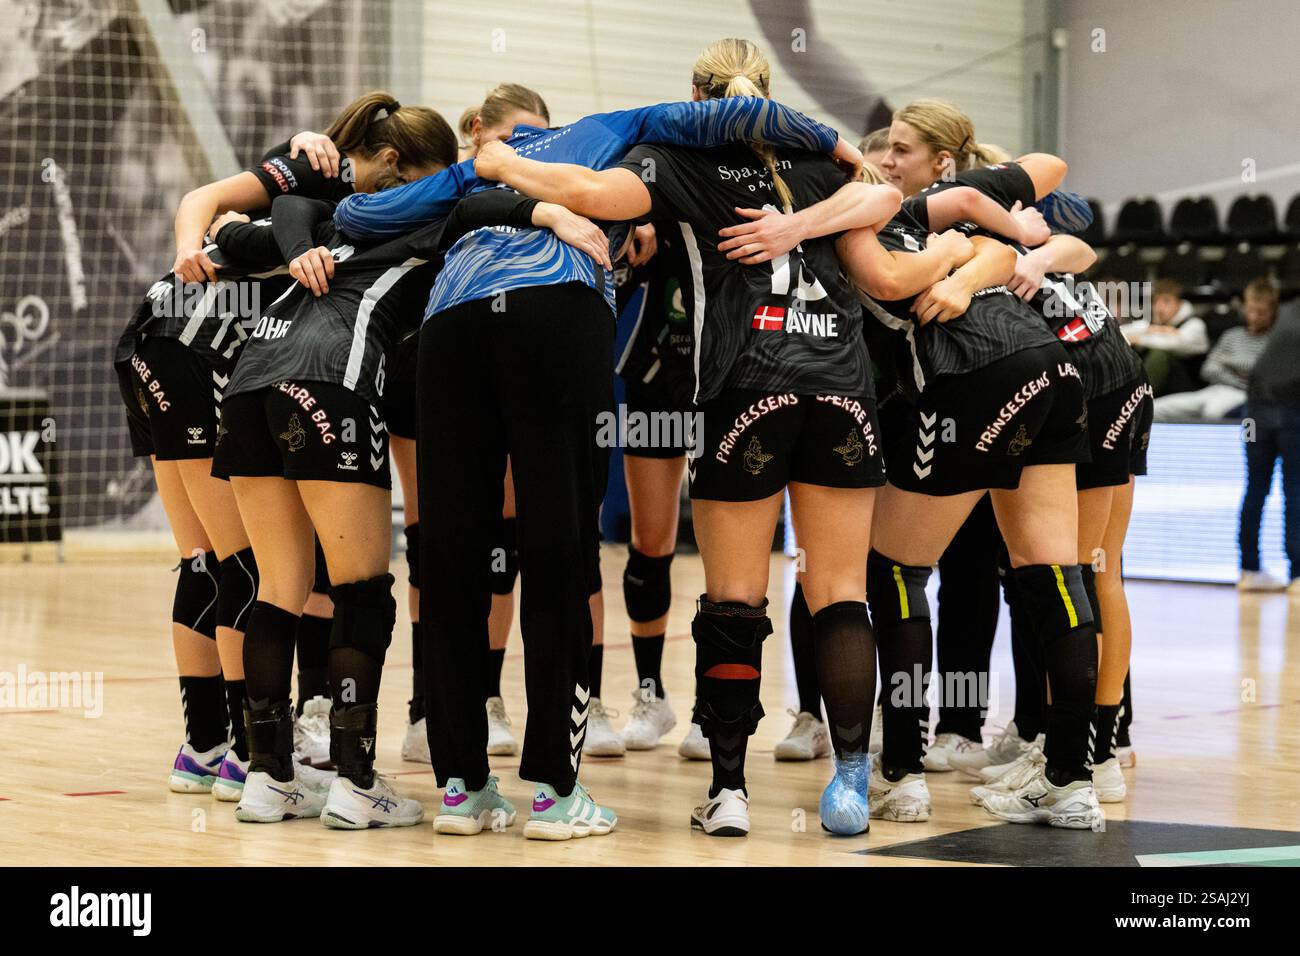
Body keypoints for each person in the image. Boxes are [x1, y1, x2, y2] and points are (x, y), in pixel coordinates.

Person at [476, 37, 979, 837]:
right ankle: (856, 782)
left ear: (696, 95)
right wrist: (803, 225)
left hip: (746, 388)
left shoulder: (674, 157)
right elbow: (883, 202)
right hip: (843, 392)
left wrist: (506, 168)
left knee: (733, 600)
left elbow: (588, 191)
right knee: (842, 593)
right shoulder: (819, 163)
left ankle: (731, 790)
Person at [335, 74, 859, 840]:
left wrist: (489, 176)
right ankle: (553, 792)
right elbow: (745, 112)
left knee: (448, 559)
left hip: (453, 328)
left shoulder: (477, 164)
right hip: (556, 310)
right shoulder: (611, 126)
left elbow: (356, 212)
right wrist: (843, 148)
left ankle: (461, 788)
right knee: (562, 552)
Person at [113, 91, 453, 798]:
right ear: (395, 161)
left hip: (165, 338)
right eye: (435, 175)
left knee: (214, 561)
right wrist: (197, 247)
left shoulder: (345, 190)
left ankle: (213, 749)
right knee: (256, 567)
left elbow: (238, 227)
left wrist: (234, 237)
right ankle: (254, 754)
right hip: (208, 344)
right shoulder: (323, 173)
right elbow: (211, 203)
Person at [403, 82, 551, 766]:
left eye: (537, 136)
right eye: (517, 133)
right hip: (415, 368)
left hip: (496, 373)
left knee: (504, 547)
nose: (527, 145)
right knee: (428, 543)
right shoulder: (441, 180)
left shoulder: (526, 185)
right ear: (476, 128)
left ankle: (487, 699)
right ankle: (423, 706)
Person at [1237, 296, 1300, 592]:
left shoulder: (1287, 309)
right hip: (1290, 413)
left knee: (1254, 488)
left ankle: (1248, 570)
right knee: (1295, 490)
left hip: (1252, 415)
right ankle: (1298, 574)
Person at [1153, 279, 1278, 421]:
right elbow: (1208, 369)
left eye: (1261, 313)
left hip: (1243, 396)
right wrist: (1240, 376)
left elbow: (1263, 379)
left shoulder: (1276, 341)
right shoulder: (1231, 335)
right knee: (1156, 409)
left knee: (1212, 413)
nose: (1254, 317)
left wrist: (1229, 364)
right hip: (1214, 390)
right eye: (1250, 310)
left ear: (1272, 312)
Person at [1122, 279, 1208, 396]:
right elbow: (1120, 331)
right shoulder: (1156, 325)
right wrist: (1148, 329)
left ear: (1180, 304)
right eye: (1156, 301)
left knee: (1159, 355)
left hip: (1187, 391)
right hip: (1163, 393)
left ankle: (1137, 399)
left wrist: (1140, 339)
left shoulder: (1195, 324)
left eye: (1166, 301)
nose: (1159, 307)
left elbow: (1176, 344)